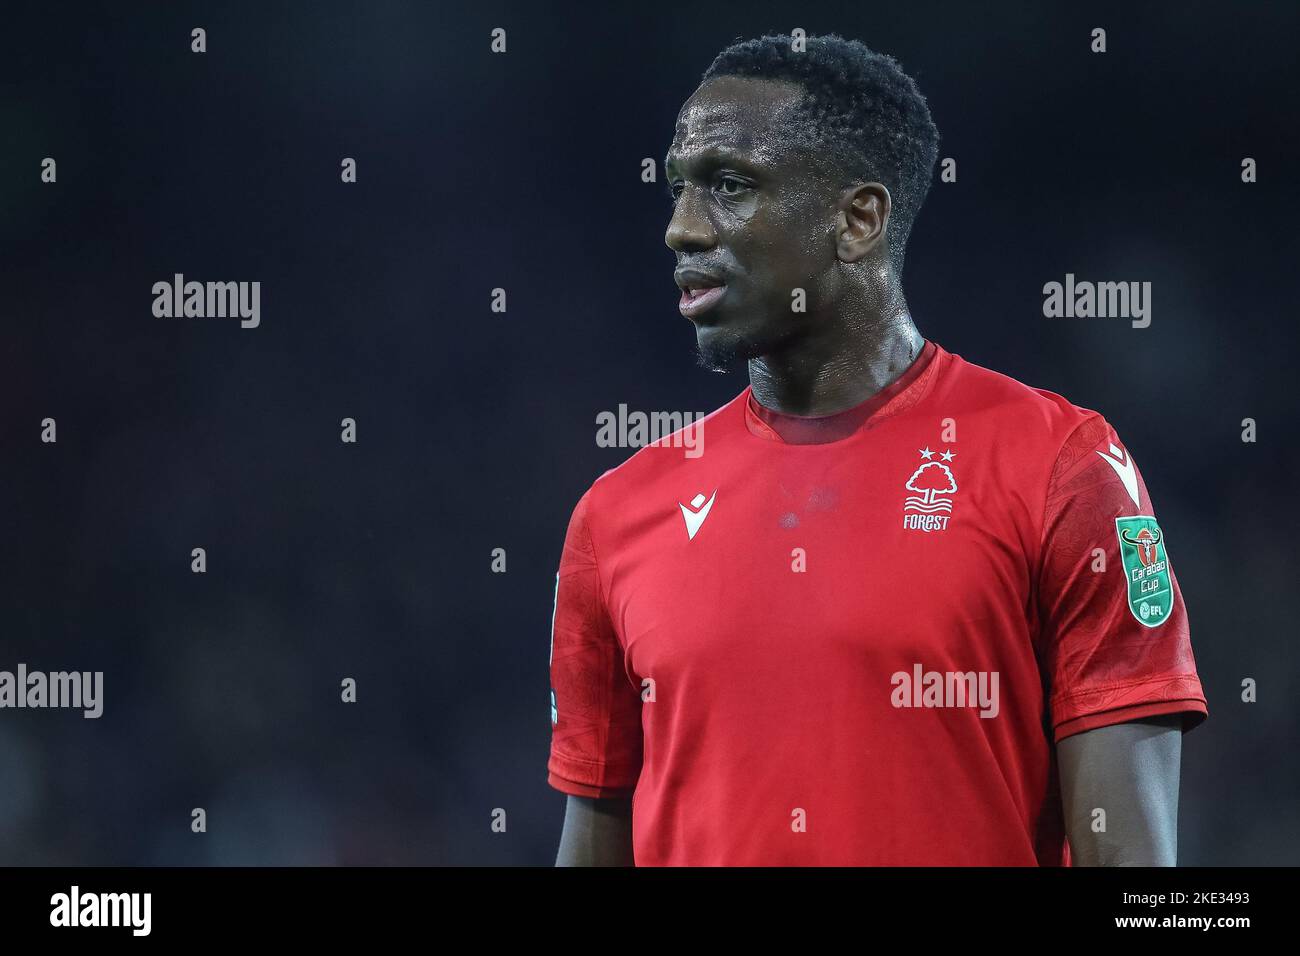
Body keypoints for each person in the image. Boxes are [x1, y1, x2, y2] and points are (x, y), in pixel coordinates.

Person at [547, 33, 1206, 866]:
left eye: (729, 185)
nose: (680, 228)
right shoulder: (615, 516)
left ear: (857, 220)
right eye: (679, 188)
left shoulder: (1059, 466)